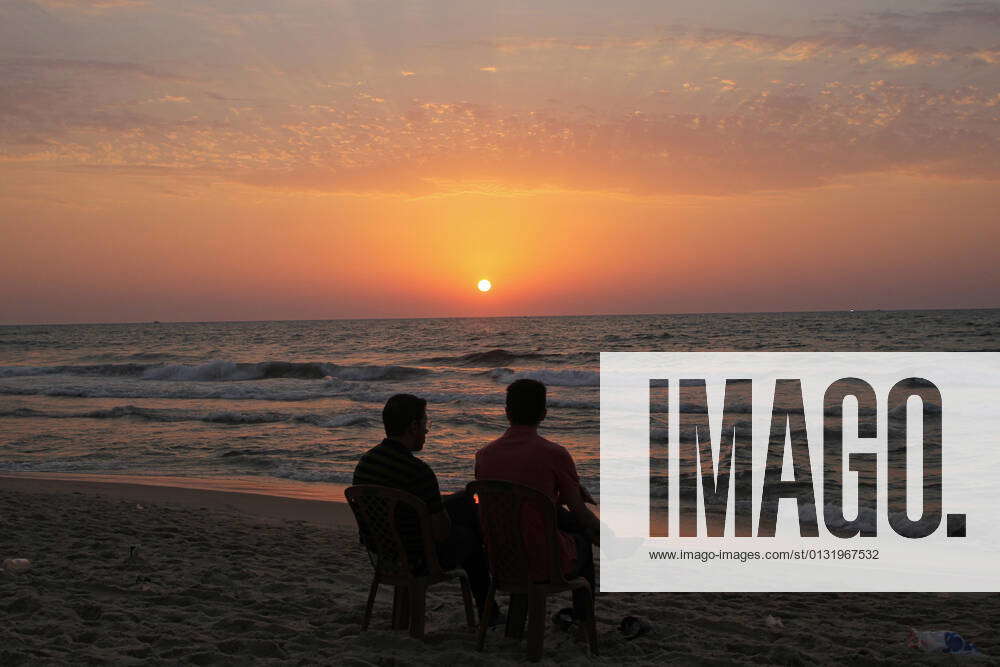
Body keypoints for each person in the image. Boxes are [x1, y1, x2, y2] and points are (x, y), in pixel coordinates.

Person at [352, 393, 490, 615]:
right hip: (417, 558)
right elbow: (442, 533)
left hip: (383, 553)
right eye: (426, 423)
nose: (427, 430)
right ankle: (488, 612)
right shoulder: (418, 471)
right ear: (413, 426)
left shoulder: (366, 462)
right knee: (471, 536)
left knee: (463, 500)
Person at [474, 379, 599, 593]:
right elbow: (580, 513)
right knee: (583, 543)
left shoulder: (484, 455)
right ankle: (583, 620)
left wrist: (558, 498)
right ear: (544, 414)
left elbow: (514, 500)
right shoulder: (555, 454)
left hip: (502, 561)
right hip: (544, 562)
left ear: (507, 412)